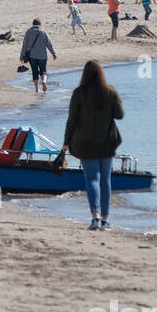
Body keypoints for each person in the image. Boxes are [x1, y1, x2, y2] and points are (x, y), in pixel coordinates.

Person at [62, 60, 124, 231]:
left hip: (85, 142)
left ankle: (95, 217)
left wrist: (66, 142)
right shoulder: (110, 91)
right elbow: (120, 115)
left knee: (92, 179)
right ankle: (105, 220)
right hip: (106, 142)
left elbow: (72, 120)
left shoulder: (79, 93)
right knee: (105, 179)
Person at [19, 18, 57, 94]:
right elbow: (49, 43)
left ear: (33, 23)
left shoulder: (28, 31)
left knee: (34, 72)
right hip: (42, 55)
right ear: (40, 24)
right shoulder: (43, 32)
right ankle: (44, 81)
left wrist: (21, 55)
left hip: (32, 56)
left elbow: (25, 45)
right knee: (43, 70)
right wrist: (53, 53)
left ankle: (37, 89)